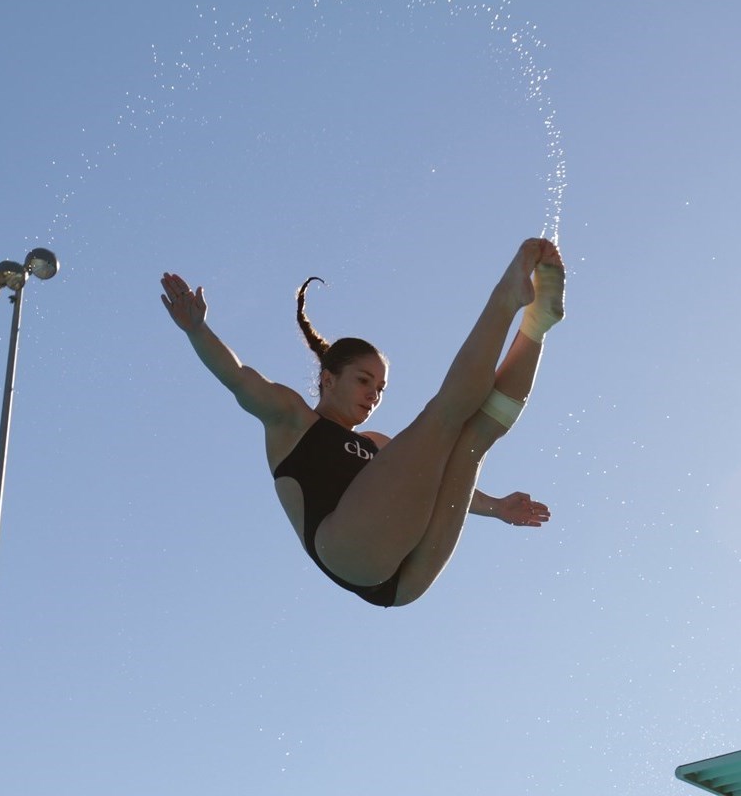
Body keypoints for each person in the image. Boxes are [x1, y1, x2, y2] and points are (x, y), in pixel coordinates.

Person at [160, 238, 565, 607]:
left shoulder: (377, 444)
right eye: (364, 381)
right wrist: (197, 330)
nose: (373, 394)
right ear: (328, 378)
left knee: (473, 441)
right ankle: (505, 297)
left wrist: (497, 508)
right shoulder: (291, 419)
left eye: (381, 389)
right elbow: (237, 376)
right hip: (348, 551)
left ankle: (536, 324)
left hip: (405, 581)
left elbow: (437, 486)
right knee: (442, 417)